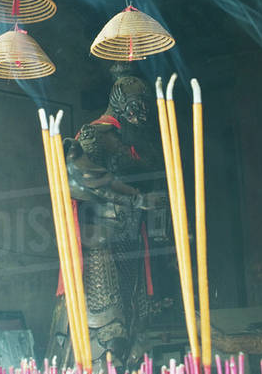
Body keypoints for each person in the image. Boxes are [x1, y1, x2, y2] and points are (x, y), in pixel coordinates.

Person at [46, 70, 167, 370]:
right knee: (103, 331)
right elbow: (79, 177)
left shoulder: (128, 142)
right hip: (101, 243)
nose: (143, 112)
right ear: (123, 102)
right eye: (138, 104)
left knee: (132, 330)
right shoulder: (93, 133)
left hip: (131, 244)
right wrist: (134, 197)